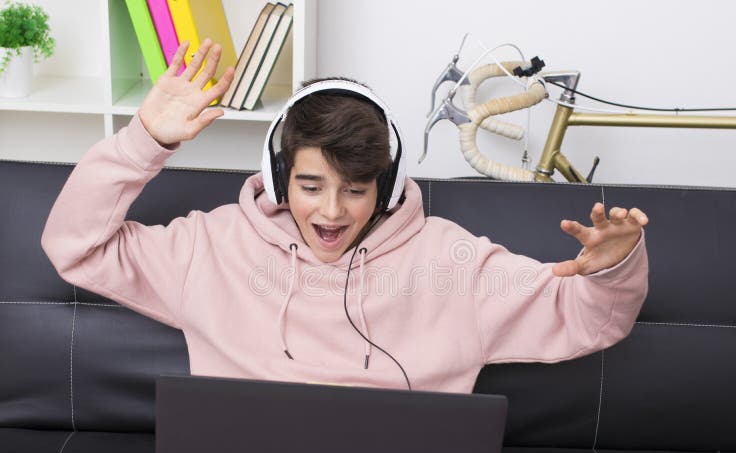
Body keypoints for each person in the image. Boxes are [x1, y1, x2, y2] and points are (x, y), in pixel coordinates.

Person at [41, 39, 649, 393]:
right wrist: (145, 139)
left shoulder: (453, 262)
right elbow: (76, 247)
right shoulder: (209, 248)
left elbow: (587, 320)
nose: (331, 212)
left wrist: (613, 269)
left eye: (355, 190)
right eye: (310, 185)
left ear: (385, 188)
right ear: (280, 179)